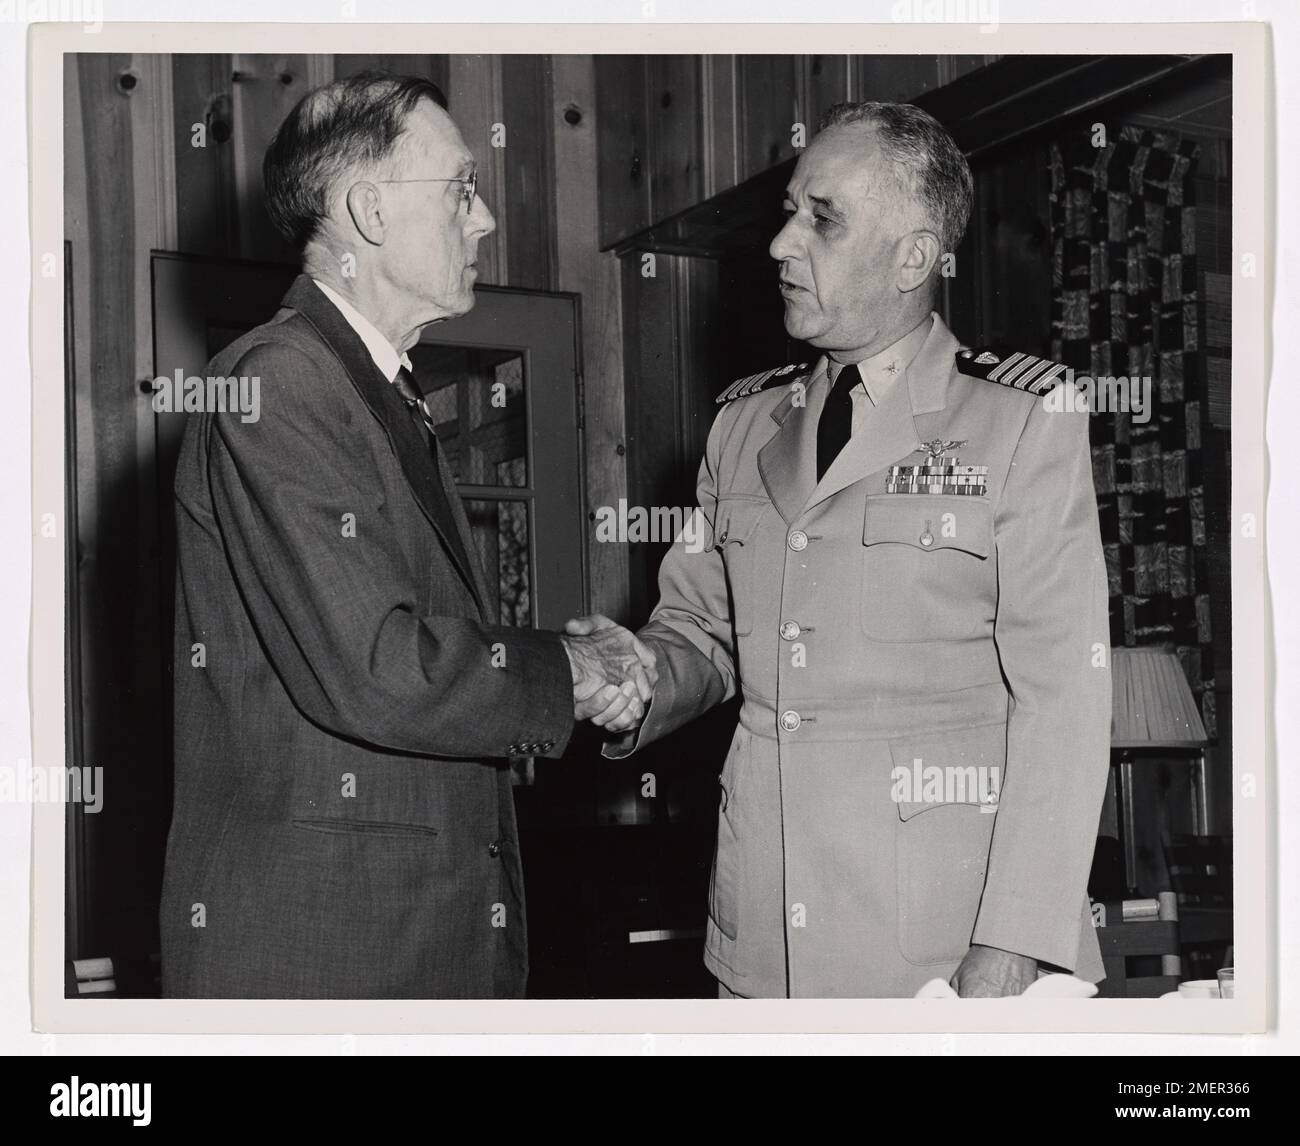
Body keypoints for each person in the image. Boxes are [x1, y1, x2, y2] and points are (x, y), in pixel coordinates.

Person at [575, 101, 1112, 998]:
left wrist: (1016, 940)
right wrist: (641, 677)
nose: (783, 243)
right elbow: (703, 632)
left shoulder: (1020, 422)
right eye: (791, 211)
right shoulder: (743, 427)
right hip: (761, 947)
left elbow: (1064, 701)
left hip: (941, 958)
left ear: (913, 254)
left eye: (822, 218)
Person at [160, 73, 653, 999]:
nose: (485, 222)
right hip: (328, 957)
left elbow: (412, 639)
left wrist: (557, 658)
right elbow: (381, 666)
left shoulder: (370, 388)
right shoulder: (283, 381)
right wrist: (568, 672)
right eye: (462, 188)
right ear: (368, 211)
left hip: (400, 945)